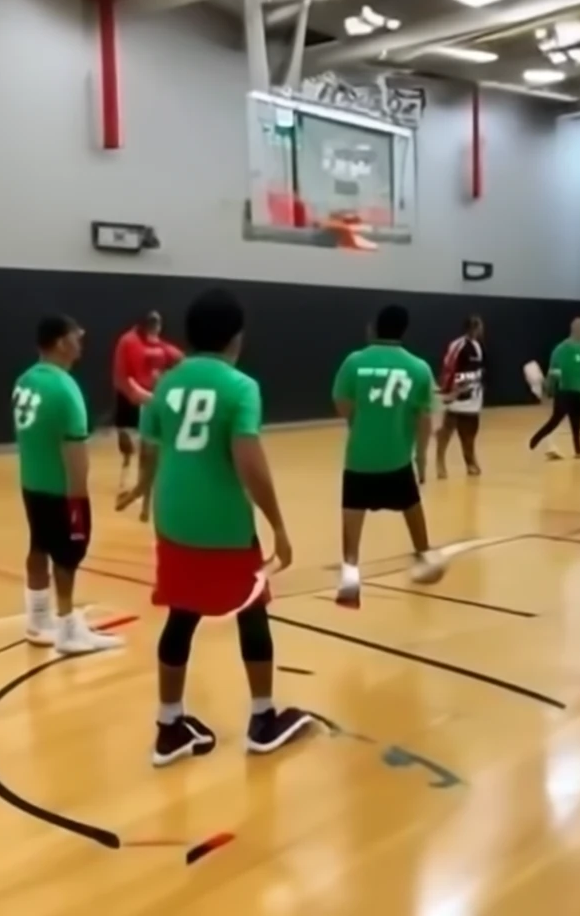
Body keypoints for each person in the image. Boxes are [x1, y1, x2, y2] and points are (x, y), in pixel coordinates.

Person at [117, 288, 311, 766]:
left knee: (181, 614)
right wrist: (279, 524)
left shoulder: (166, 385)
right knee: (252, 611)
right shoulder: (240, 387)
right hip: (222, 523)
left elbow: (152, 448)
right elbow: (249, 460)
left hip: (173, 517)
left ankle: (169, 726)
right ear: (237, 337)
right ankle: (264, 719)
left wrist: (142, 489)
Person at [13, 315, 123, 654]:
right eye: (77, 335)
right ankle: (67, 631)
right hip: (60, 490)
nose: (81, 341)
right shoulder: (65, 388)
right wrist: (78, 501)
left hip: (31, 483)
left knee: (38, 547)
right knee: (66, 556)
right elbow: (75, 453)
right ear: (61, 342)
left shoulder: (25, 380)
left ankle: (38, 618)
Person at [332, 304, 446, 608]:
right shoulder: (419, 368)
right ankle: (424, 556)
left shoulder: (354, 362)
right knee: (412, 508)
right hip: (397, 459)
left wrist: (361, 422)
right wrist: (421, 458)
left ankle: (350, 581)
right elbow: (424, 419)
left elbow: (341, 402)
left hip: (359, 459)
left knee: (352, 518)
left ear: (374, 327)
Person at [112, 311, 183, 518]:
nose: (156, 328)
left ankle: (143, 502)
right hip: (134, 398)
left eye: (158, 324)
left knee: (151, 453)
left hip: (153, 402)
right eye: (152, 324)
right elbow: (122, 376)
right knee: (131, 447)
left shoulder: (161, 347)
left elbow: (178, 358)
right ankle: (128, 487)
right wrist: (134, 391)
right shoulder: (128, 341)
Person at [528, 318, 580, 460]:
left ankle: (578, 450)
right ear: (575, 331)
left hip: (579, 393)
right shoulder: (564, 350)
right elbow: (554, 375)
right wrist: (549, 388)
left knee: (575, 422)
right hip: (569, 392)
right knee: (558, 420)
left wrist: (548, 388)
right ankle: (535, 439)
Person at [436, 315, 485, 479]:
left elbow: (476, 369)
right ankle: (440, 462)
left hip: (473, 394)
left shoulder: (477, 346)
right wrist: (451, 392)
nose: (481, 329)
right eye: (478, 326)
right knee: (447, 429)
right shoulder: (457, 345)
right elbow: (449, 368)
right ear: (472, 328)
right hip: (457, 393)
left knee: (470, 432)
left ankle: (470, 461)